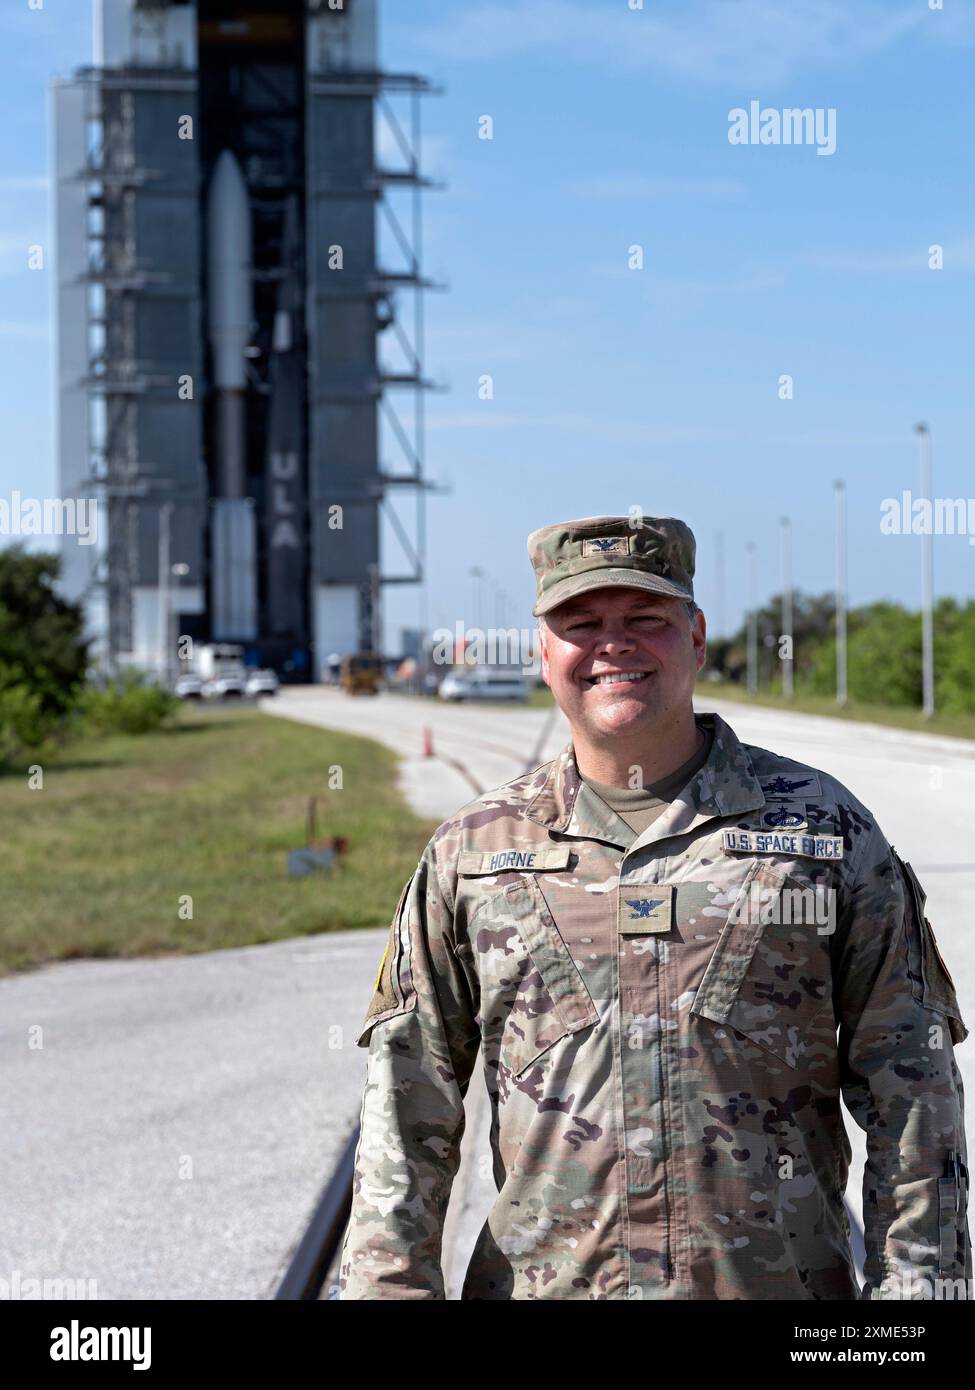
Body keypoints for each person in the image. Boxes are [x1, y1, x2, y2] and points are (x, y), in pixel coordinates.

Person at [338, 513, 970, 1300]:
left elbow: (911, 1092)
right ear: (543, 652)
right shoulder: (473, 853)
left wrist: (916, 1298)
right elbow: (407, 1103)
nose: (613, 645)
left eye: (645, 618)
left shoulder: (822, 832)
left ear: (695, 638)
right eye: (580, 624)